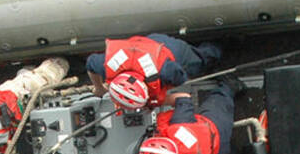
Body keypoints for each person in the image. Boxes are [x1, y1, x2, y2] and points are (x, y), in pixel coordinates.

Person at [132, 85, 236, 154]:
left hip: (219, 153)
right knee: (223, 95)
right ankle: (232, 85)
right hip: (217, 123)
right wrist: (154, 102)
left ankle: (239, 151)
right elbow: (184, 97)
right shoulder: (179, 122)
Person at [86, 34, 222, 111]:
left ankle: (220, 46)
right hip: (146, 43)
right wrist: (99, 88)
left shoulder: (166, 72)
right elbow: (90, 63)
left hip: (169, 50)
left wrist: (153, 102)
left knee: (199, 62)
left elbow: (181, 80)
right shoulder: (106, 65)